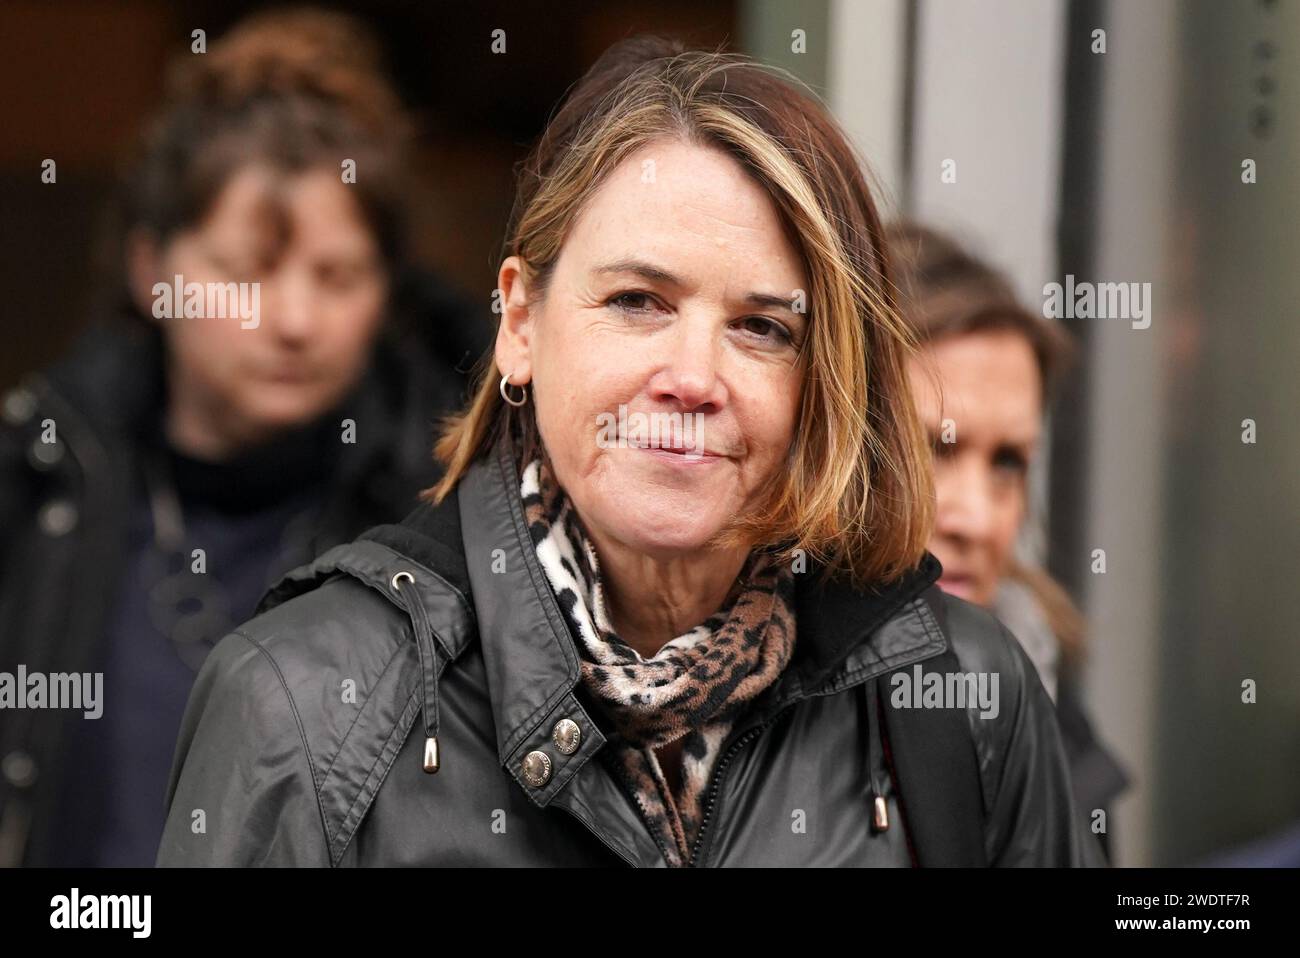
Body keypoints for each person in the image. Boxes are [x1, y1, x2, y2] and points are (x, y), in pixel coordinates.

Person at [157, 36, 1094, 868]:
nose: (694, 376)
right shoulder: (305, 704)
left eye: (762, 327)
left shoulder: (963, 697)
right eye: (638, 302)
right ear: (521, 321)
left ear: (822, 380)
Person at [0, 10, 481, 867]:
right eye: (244, 273)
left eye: (338, 276)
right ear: (153, 273)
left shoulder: (448, 514)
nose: (296, 320)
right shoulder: (39, 488)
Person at [889, 220, 1128, 861]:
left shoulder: (1047, 709)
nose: (978, 519)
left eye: (1007, 462)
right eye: (933, 450)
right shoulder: (742, 716)